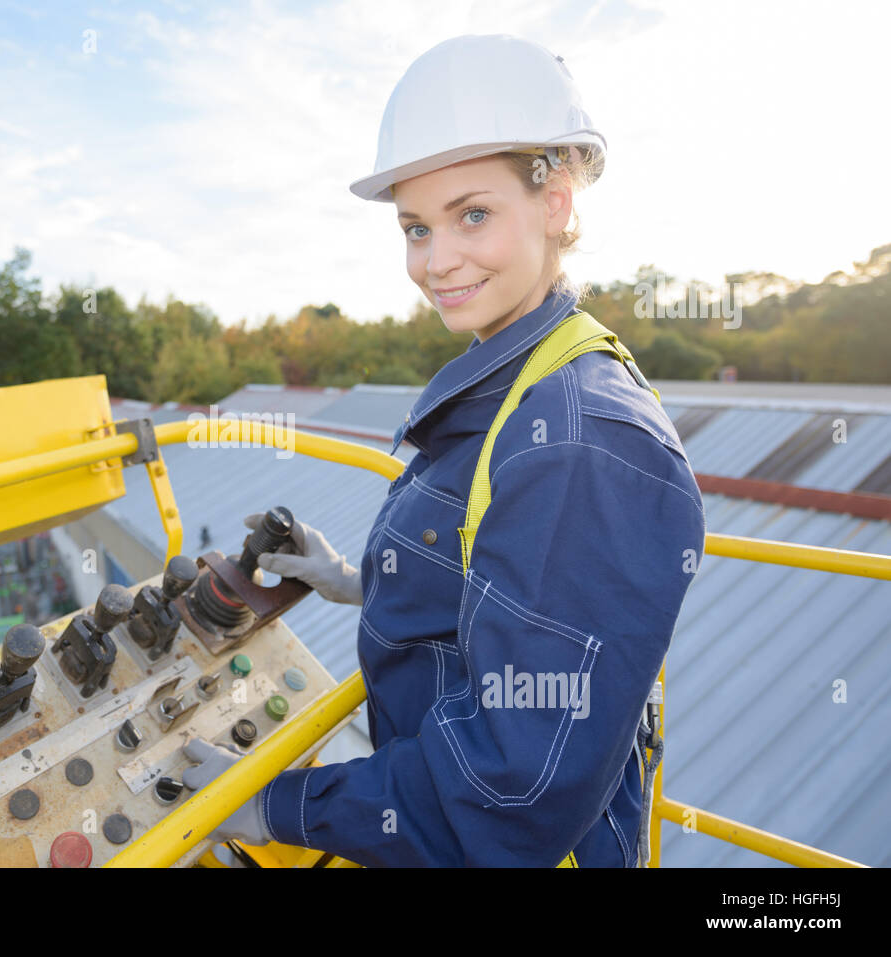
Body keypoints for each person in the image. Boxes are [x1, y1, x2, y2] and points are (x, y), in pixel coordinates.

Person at [183, 34, 705, 866]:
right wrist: (356, 580)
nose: (437, 261)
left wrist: (270, 805)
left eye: (473, 214)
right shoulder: (521, 369)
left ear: (557, 201)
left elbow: (505, 795)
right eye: (416, 227)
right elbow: (496, 584)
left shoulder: (582, 445)